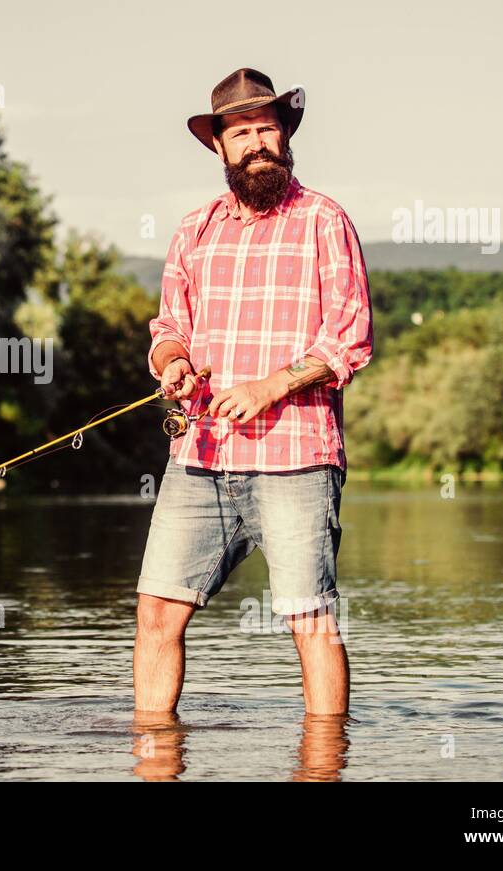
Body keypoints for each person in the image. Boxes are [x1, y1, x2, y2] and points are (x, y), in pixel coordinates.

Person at [134, 67, 373, 716]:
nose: (256, 142)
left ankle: (325, 765)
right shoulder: (194, 229)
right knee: (156, 610)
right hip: (201, 460)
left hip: (297, 460)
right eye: (241, 132)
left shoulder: (324, 221)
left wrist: (272, 386)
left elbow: (349, 338)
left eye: (267, 128)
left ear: (285, 135)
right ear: (220, 146)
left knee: (309, 619)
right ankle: (155, 759)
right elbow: (167, 328)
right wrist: (173, 361)